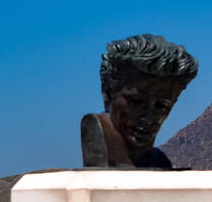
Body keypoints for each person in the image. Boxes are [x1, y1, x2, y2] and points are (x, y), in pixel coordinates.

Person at [80, 34, 198, 169]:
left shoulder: (159, 161)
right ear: (107, 93)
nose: (148, 116)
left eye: (161, 106)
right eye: (136, 102)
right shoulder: (98, 140)